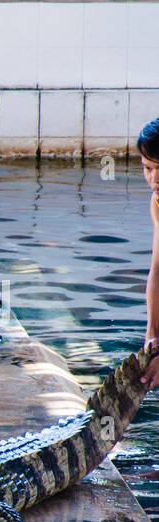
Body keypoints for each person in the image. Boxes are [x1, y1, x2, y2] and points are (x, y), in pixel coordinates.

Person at [138, 119, 159, 388]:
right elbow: (157, 268)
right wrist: (152, 334)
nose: (155, 179)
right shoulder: (157, 202)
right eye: (148, 169)